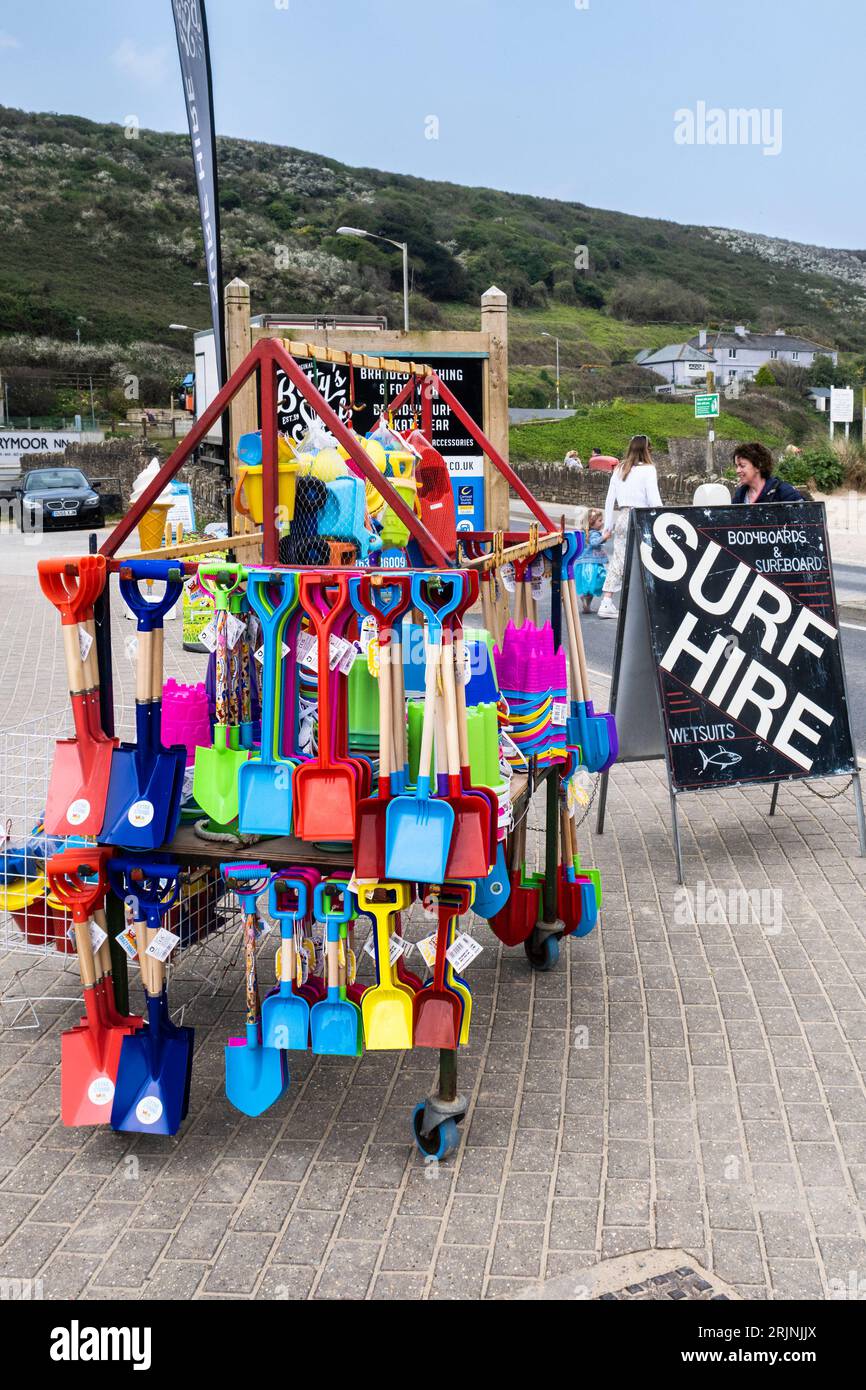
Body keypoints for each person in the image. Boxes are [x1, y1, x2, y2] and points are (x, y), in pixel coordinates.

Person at [598, 433, 663, 619]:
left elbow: (610, 500)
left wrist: (607, 526)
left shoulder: (619, 468)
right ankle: (648, 603)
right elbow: (653, 499)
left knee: (619, 559)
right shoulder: (649, 470)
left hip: (624, 517)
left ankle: (607, 601)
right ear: (647, 449)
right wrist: (662, 516)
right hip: (642, 518)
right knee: (647, 559)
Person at [731, 442, 803, 503]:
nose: (737, 470)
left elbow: (805, 516)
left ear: (758, 465)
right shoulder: (740, 495)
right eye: (736, 466)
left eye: (742, 466)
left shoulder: (784, 492)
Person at [575, 508, 608, 613]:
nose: (602, 522)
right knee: (596, 581)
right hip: (591, 564)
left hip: (586, 563)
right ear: (591, 522)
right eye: (600, 520)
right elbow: (594, 543)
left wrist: (604, 537)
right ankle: (586, 602)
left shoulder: (588, 533)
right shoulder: (594, 533)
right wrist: (604, 537)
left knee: (589, 586)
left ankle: (586, 603)